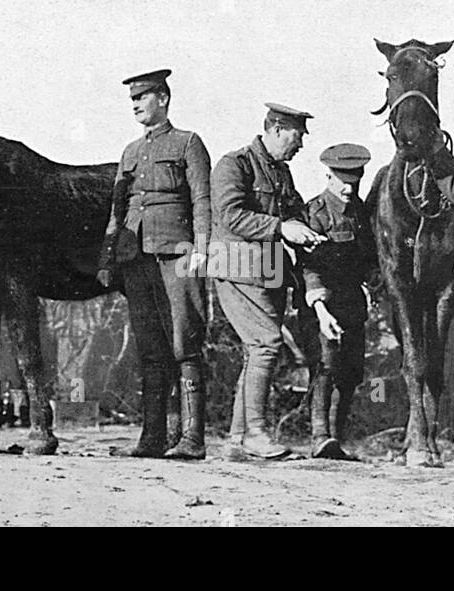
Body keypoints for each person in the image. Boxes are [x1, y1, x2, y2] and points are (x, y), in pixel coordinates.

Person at [97, 69, 212, 459]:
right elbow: (119, 209)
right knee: (149, 348)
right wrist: (107, 257)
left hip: (178, 253)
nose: (134, 104)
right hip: (135, 257)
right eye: (132, 98)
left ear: (162, 99)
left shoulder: (188, 143)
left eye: (142, 97)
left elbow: (201, 200)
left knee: (185, 341)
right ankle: (153, 437)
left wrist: (202, 247)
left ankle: (193, 438)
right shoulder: (130, 151)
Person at [210, 103, 323, 460]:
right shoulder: (235, 164)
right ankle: (255, 435)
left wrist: (308, 227)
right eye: (297, 135)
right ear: (275, 129)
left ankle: (238, 438)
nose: (301, 144)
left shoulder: (280, 172)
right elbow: (231, 216)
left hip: (270, 273)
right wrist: (281, 228)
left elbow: (294, 211)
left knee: (258, 351)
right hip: (238, 269)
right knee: (266, 345)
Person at [296, 143, 374, 461]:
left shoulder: (362, 213)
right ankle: (319, 437)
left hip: (352, 301)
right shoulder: (313, 213)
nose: (348, 187)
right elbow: (307, 267)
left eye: (354, 180)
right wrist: (321, 309)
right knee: (325, 366)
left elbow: (370, 256)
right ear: (328, 175)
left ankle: (337, 439)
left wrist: (371, 287)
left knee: (352, 371)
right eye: (342, 180)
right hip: (320, 304)